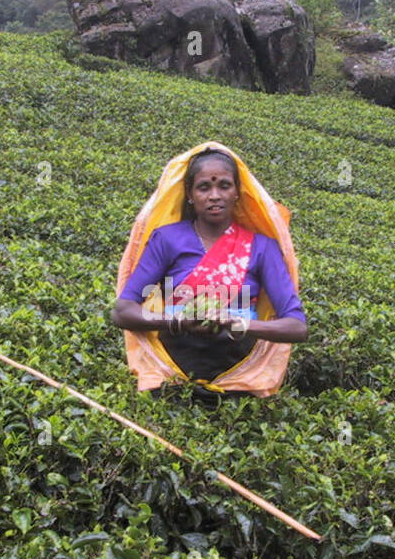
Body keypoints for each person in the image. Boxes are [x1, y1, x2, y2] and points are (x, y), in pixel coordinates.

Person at [111, 143, 306, 398]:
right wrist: (177, 321)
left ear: (237, 192)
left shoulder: (262, 248)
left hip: (238, 385)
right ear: (190, 195)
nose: (215, 195)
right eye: (204, 187)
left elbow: (296, 326)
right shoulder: (167, 240)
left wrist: (237, 323)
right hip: (171, 382)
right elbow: (122, 311)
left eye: (224, 185)